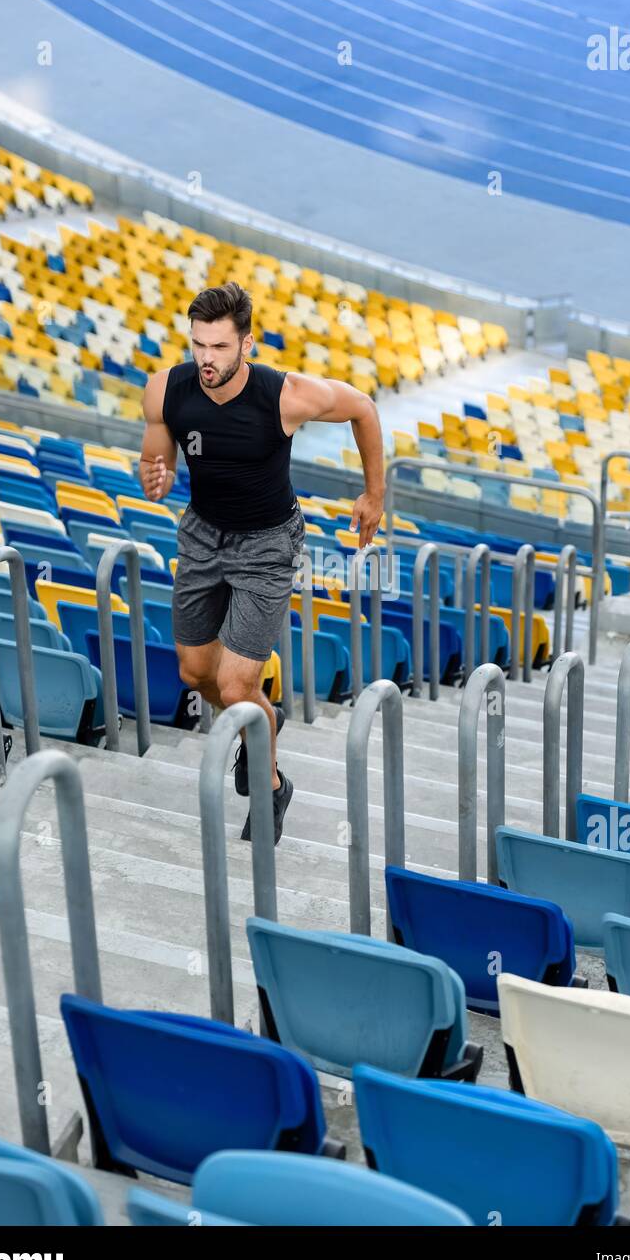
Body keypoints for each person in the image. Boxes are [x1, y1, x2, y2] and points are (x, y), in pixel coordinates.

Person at [139, 281, 385, 844]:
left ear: (247, 344)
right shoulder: (164, 389)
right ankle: (260, 726)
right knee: (195, 674)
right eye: (198, 344)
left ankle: (269, 781)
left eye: (220, 347)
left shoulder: (287, 395)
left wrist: (374, 495)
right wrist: (155, 472)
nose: (206, 358)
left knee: (234, 682)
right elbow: (157, 453)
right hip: (201, 535)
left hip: (268, 545)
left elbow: (364, 410)